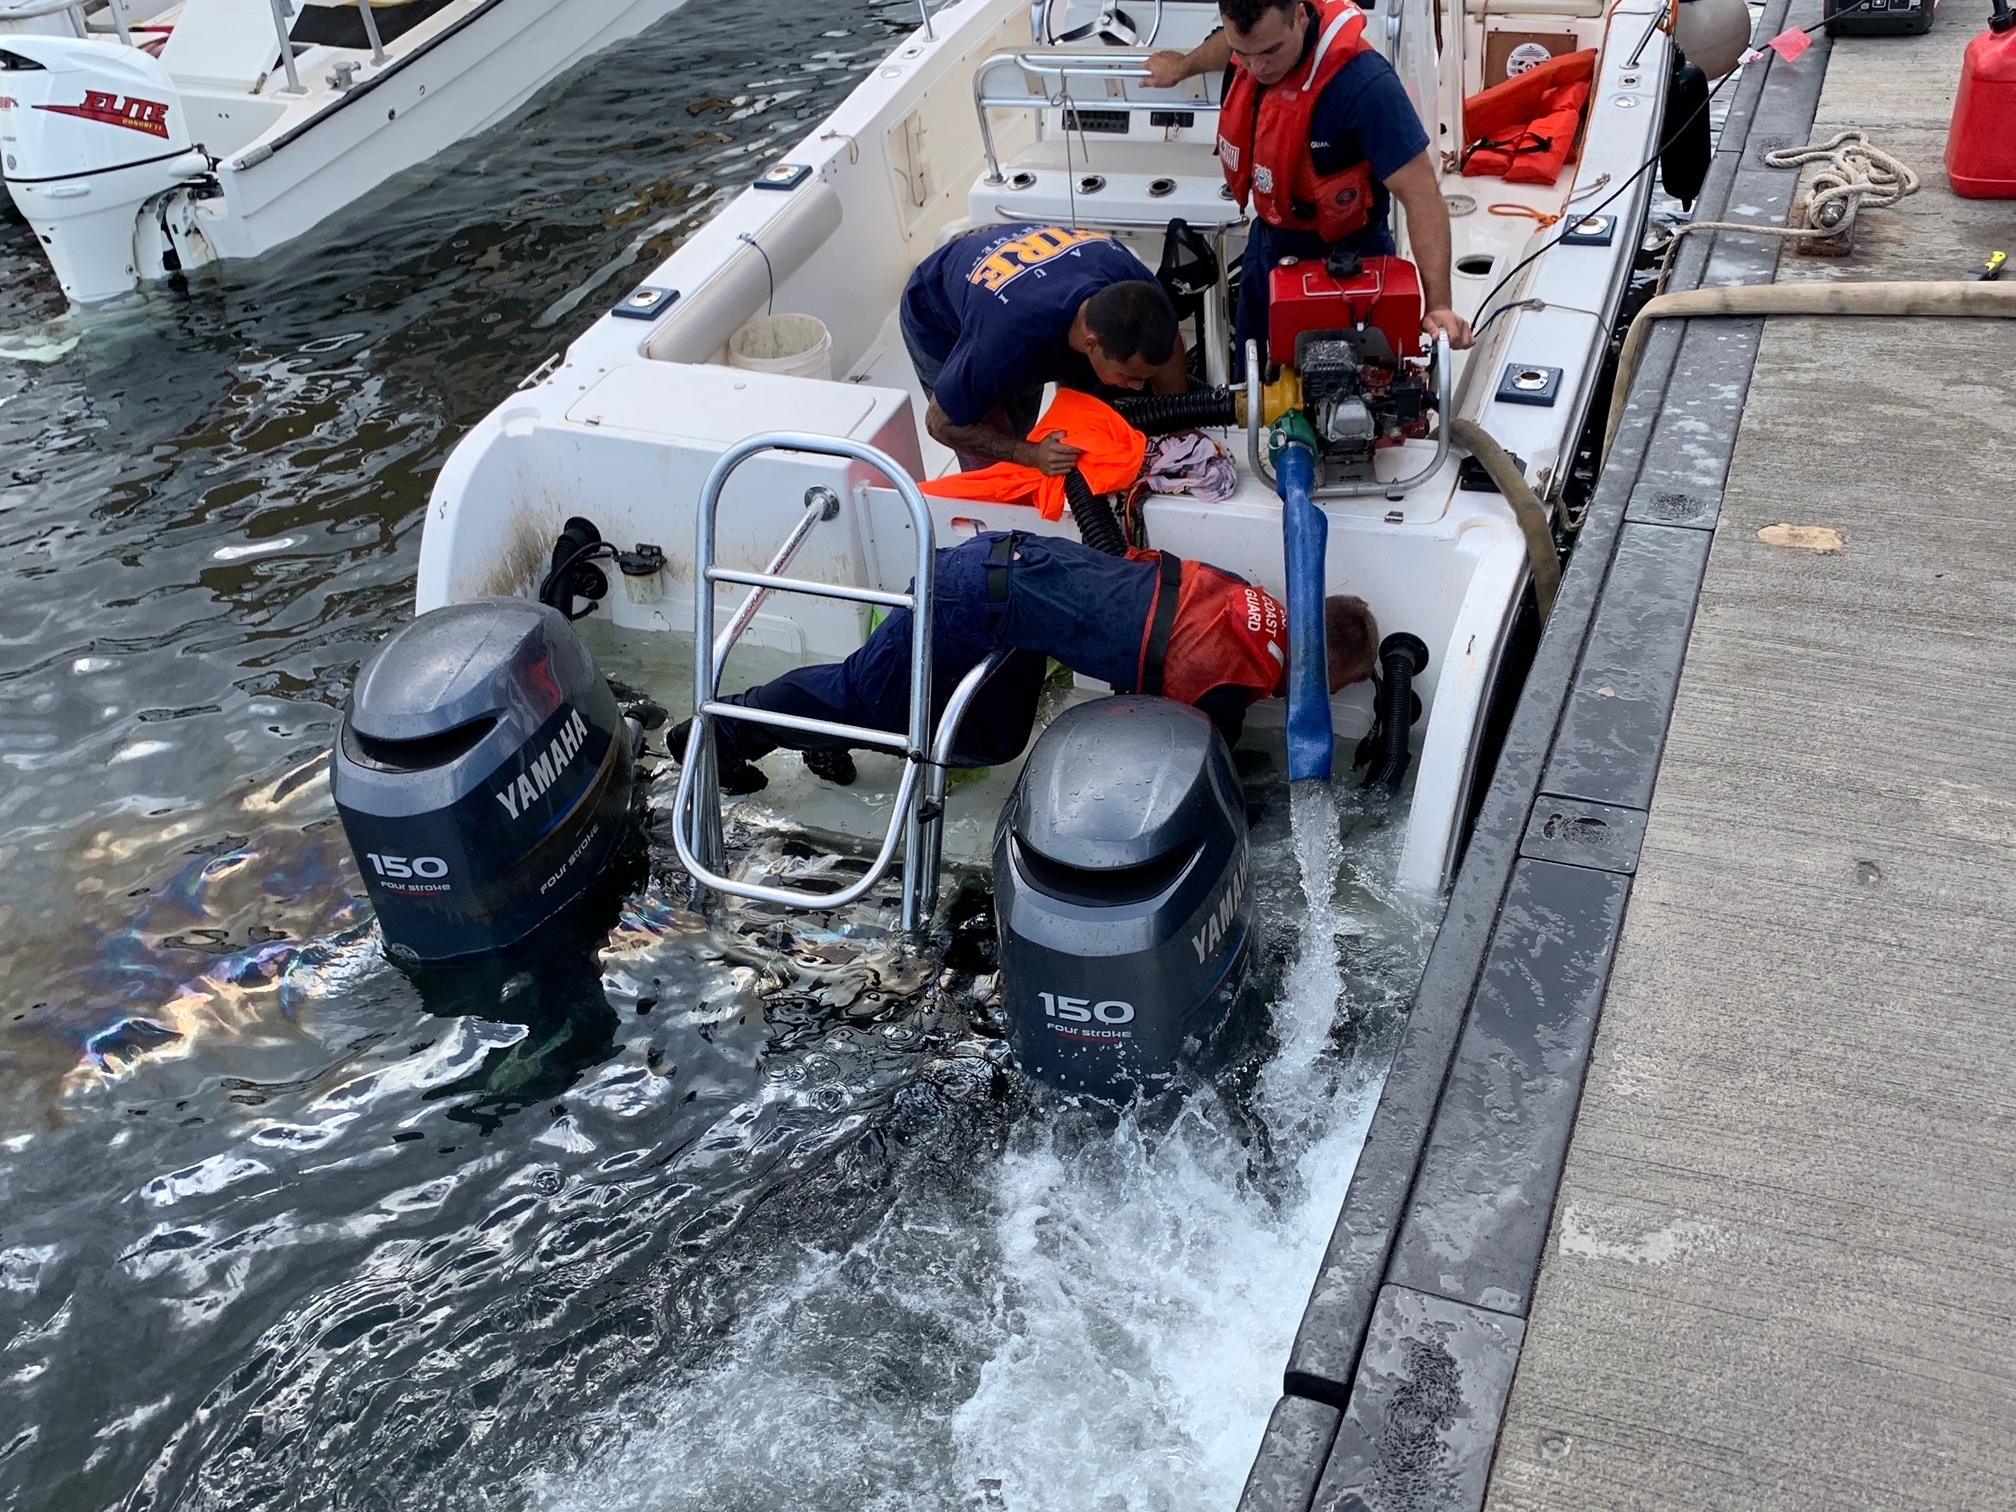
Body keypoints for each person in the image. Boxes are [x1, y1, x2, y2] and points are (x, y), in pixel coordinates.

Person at [670, 532, 1379, 793]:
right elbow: (1191, 766)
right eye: (1333, 689)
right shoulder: (1230, 682)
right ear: (1320, 674)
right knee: (863, 694)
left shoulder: (1247, 599)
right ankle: (716, 733)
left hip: (1017, 576)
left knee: (994, 738)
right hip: (974, 599)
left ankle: (832, 731)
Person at [1145, 0, 1476, 366]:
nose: (1257, 67)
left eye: (1271, 50)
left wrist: (1439, 305)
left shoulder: (1364, 85)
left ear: (1300, 16)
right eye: (1244, 54)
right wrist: (1182, 66)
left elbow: (1420, 194)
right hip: (1270, 251)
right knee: (1254, 379)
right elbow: (1228, 45)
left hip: (1352, 262)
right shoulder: (1251, 47)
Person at [901, 223, 1191, 475]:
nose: (1139, 387)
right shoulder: (1006, 345)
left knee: (1033, 424)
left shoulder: (1135, 286)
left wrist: (1179, 425)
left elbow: (1171, 342)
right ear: (1090, 344)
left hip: (1028, 274)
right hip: (938, 314)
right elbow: (941, 423)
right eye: (1129, 375)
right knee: (1003, 473)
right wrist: (1029, 454)